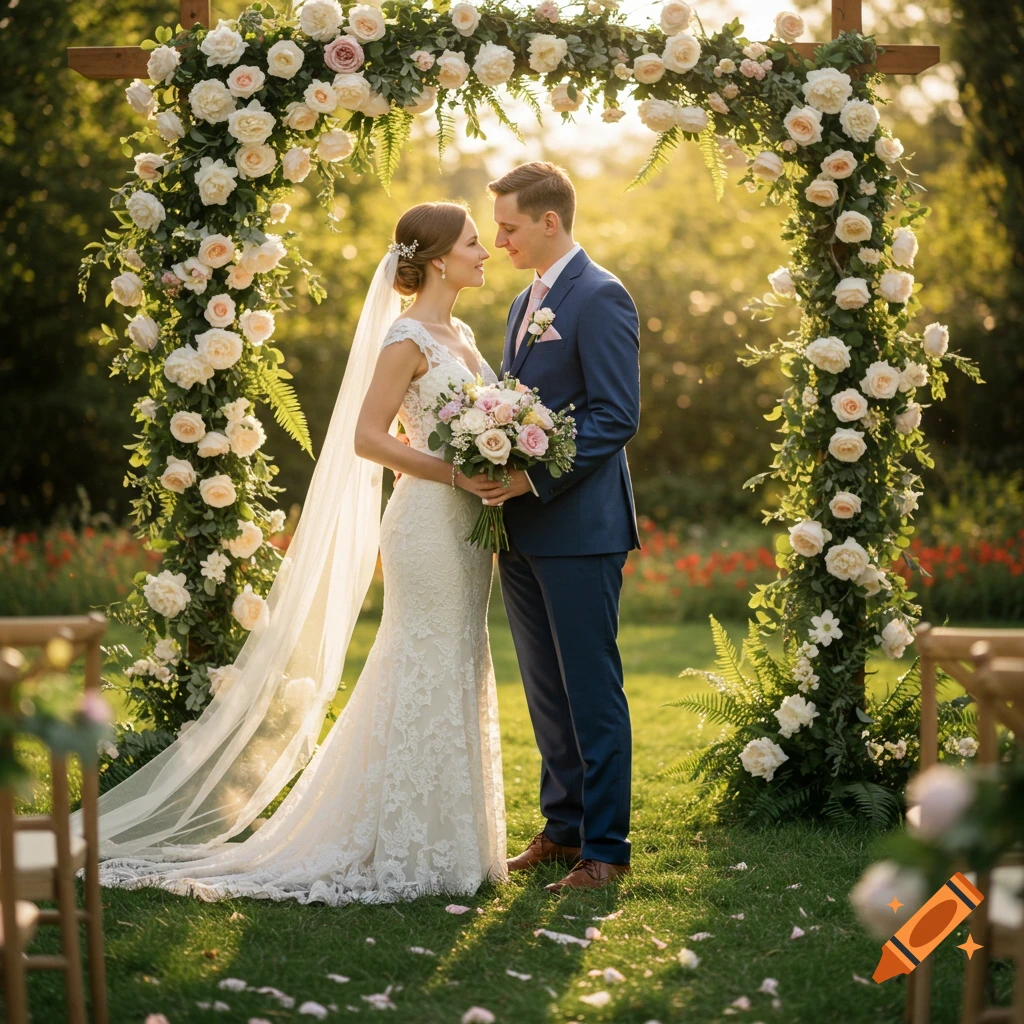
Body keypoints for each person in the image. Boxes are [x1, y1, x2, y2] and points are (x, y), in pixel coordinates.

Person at [76, 201, 512, 906]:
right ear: (437, 260)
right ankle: (405, 842)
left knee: (459, 655)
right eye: (472, 242)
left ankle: (449, 839)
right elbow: (369, 438)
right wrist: (458, 474)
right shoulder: (406, 338)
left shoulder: (459, 334)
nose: (484, 252)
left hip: (467, 525)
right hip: (427, 521)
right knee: (422, 658)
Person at [485, 162, 641, 893]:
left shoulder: (602, 295)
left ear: (550, 221)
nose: (499, 240)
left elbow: (616, 415)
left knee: (590, 690)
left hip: (580, 527)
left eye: (509, 226)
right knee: (547, 691)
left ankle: (605, 850)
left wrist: (534, 477)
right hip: (521, 529)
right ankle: (563, 828)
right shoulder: (525, 300)